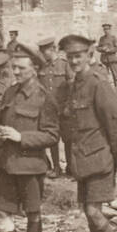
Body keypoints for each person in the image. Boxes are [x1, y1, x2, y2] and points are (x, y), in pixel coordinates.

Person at [57, 33, 117, 232]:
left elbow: (116, 123)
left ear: (89, 56)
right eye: (70, 57)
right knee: (90, 217)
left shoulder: (98, 85)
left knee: (94, 213)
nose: (74, 61)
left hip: (100, 160)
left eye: (78, 56)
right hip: (82, 163)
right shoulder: (73, 86)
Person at [0, 43, 59, 232]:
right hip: (7, 164)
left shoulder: (44, 98)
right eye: (13, 67)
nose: (15, 72)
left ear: (35, 69)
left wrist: (22, 137)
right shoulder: (9, 93)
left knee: (33, 215)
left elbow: (52, 136)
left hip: (31, 166)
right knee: (0, 212)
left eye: (20, 68)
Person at [37, 37, 69, 177]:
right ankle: (56, 167)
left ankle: (71, 167)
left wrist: (68, 106)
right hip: (49, 110)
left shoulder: (64, 65)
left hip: (64, 109)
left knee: (68, 139)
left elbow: (72, 86)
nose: (43, 55)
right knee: (52, 139)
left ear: (52, 49)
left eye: (45, 52)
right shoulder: (43, 67)